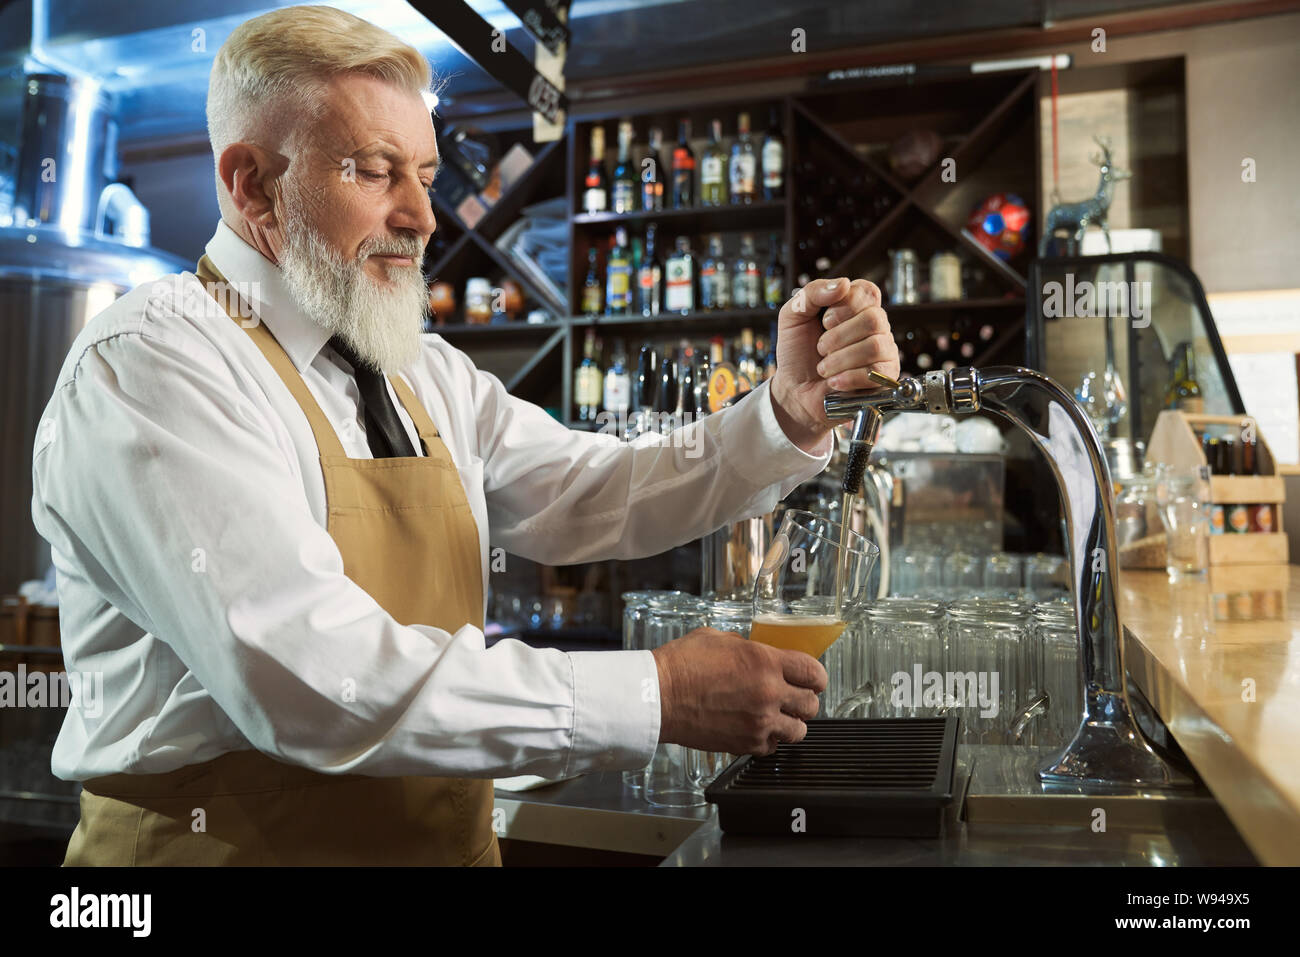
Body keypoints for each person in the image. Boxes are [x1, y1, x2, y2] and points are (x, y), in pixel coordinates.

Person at [30, 5, 899, 866]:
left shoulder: (420, 369)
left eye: (426, 174)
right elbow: (311, 678)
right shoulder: (153, 358)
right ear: (252, 184)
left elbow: (595, 492)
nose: (423, 216)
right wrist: (652, 693)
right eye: (375, 172)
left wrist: (786, 410)